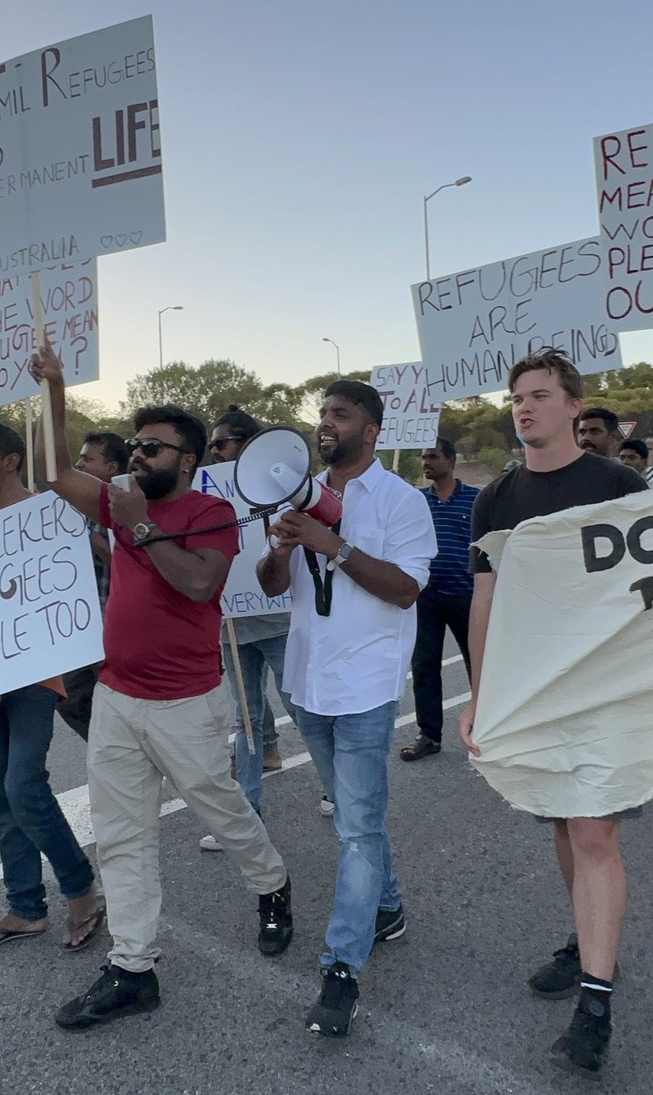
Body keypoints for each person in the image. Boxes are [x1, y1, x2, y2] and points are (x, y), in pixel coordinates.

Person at [28, 342, 294, 1031]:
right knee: (121, 835)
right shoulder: (120, 503)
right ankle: (132, 967)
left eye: (154, 447)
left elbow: (200, 582)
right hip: (118, 698)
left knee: (220, 809)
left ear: (190, 461)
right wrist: (54, 389)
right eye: (136, 444)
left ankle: (270, 883)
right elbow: (56, 471)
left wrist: (138, 521)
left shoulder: (209, 514)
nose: (138, 455)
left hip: (186, 702)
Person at [458, 349, 649, 1078]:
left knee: (595, 829)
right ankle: (584, 939)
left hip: (602, 688)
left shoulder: (618, 484)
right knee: (566, 822)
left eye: (539, 395)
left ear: (575, 407)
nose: (523, 407)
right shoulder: (495, 498)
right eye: (515, 397)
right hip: (534, 690)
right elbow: (485, 600)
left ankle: (595, 1003)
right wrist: (483, 693)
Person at [256, 379, 436, 1038]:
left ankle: (341, 970)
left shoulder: (400, 499)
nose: (326, 423)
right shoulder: (298, 499)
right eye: (323, 413)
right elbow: (272, 587)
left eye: (341, 414)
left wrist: (334, 545)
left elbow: (407, 588)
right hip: (308, 682)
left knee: (357, 828)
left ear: (372, 429)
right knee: (352, 816)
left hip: (365, 685)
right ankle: (386, 908)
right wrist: (283, 547)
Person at [0, 423, 102, 953]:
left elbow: (45, 610)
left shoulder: (47, 517)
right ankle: (25, 907)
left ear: (11, 461)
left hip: (34, 677)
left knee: (22, 786)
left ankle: (80, 889)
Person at [209, 407, 292, 816]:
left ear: (247, 444)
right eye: (211, 445)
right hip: (232, 624)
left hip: (277, 619)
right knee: (246, 719)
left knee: (300, 705)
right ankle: (250, 809)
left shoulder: (281, 485)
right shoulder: (207, 492)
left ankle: (336, 790)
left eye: (222, 443)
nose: (215, 451)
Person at [400, 437, 480, 761]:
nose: (426, 463)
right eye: (423, 457)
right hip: (427, 596)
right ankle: (429, 735)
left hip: (467, 595)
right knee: (424, 667)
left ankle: (489, 728)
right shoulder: (416, 501)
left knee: (478, 665)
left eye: (432, 456)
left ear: (450, 459)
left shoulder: (476, 499)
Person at [55, 431, 128, 743]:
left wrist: (78, 532)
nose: (79, 463)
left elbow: (121, 558)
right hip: (79, 627)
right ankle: (111, 749)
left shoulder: (123, 506)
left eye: (87, 459)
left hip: (115, 624)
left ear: (111, 468)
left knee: (124, 701)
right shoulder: (67, 506)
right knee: (70, 696)